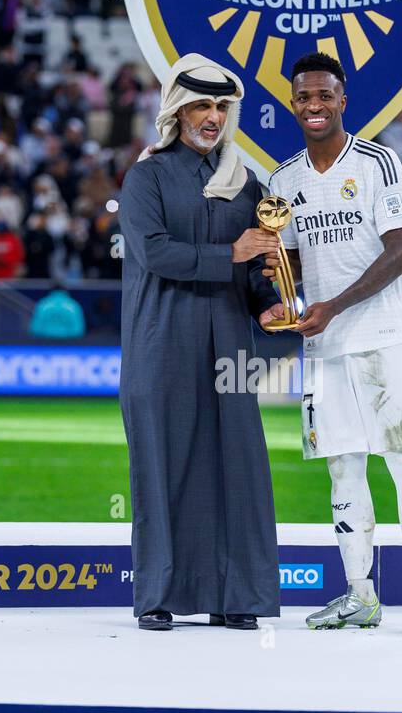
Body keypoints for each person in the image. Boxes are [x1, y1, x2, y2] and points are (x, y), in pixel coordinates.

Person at [264, 52, 402, 636]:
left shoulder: (377, 162)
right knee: (343, 470)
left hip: (384, 339)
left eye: (324, 96)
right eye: (303, 98)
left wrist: (333, 307)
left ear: (342, 100)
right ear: (292, 104)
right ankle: (359, 595)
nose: (313, 106)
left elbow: (400, 251)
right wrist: (282, 295)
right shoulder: (284, 179)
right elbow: (289, 259)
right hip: (322, 349)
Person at [117, 53, 283, 632]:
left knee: (237, 464)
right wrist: (230, 254)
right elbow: (154, 252)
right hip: (161, 340)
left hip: (231, 341)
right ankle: (157, 595)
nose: (212, 117)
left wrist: (272, 302)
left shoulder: (248, 183)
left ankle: (238, 596)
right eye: (201, 105)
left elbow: (258, 267)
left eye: (221, 106)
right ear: (177, 108)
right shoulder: (146, 176)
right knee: (165, 461)